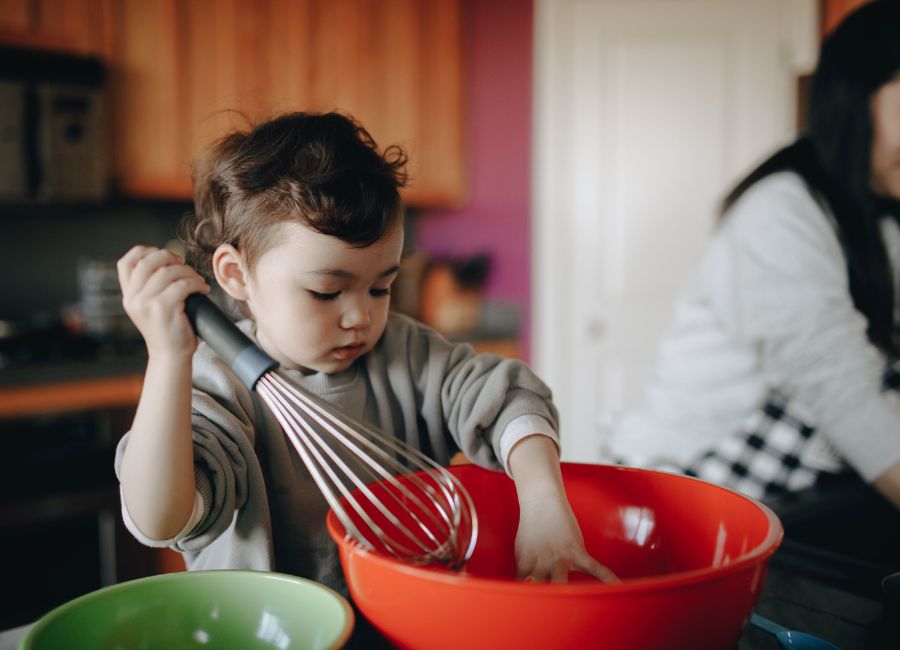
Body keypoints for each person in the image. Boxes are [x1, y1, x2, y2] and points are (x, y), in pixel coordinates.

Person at [115, 111, 616, 594]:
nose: (360, 316)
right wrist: (167, 359)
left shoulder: (407, 356)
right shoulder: (216, 385)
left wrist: (544, 502)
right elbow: (161, 519)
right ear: (235, 275)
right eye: (327, 293)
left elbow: (511, 398)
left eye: (381, 288)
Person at [602, 0, 900, 510]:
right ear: (854, 98)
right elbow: (843, 395)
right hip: (683, 494)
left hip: (795, 501)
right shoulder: (782, 212)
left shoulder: (885, 218)